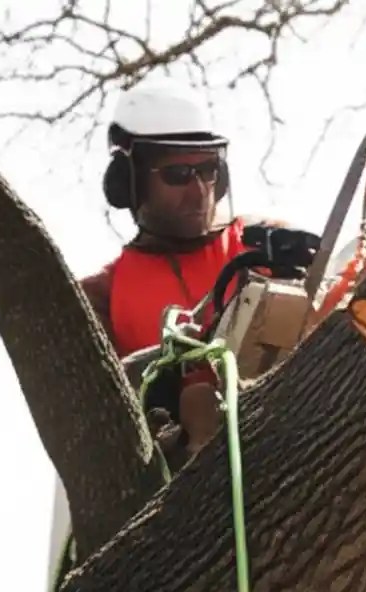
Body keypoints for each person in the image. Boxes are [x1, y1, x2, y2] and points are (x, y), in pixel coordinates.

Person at [80, 80, 321, 457]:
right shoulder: (101, 298)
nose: (199, 191)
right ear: (130, 182)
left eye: (208, 170)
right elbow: (96, 420)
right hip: (185, 479)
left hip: (293, 440)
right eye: (177, 175)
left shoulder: (267, 245)